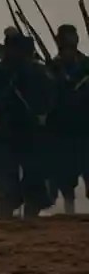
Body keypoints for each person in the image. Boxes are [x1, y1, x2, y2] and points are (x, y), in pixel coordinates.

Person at [0, 34, 54, 218]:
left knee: (30, 173)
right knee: (8, 174)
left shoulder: (35, 72)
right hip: (8, 127)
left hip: (27, 128)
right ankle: (12, 208)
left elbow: (48, 98)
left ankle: (27, 209)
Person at [48, 25, 88, 214]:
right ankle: (69, 210)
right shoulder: (53, 67)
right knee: (65, 176)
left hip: (85, 126)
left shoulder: (86, 65)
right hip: (62, 128)